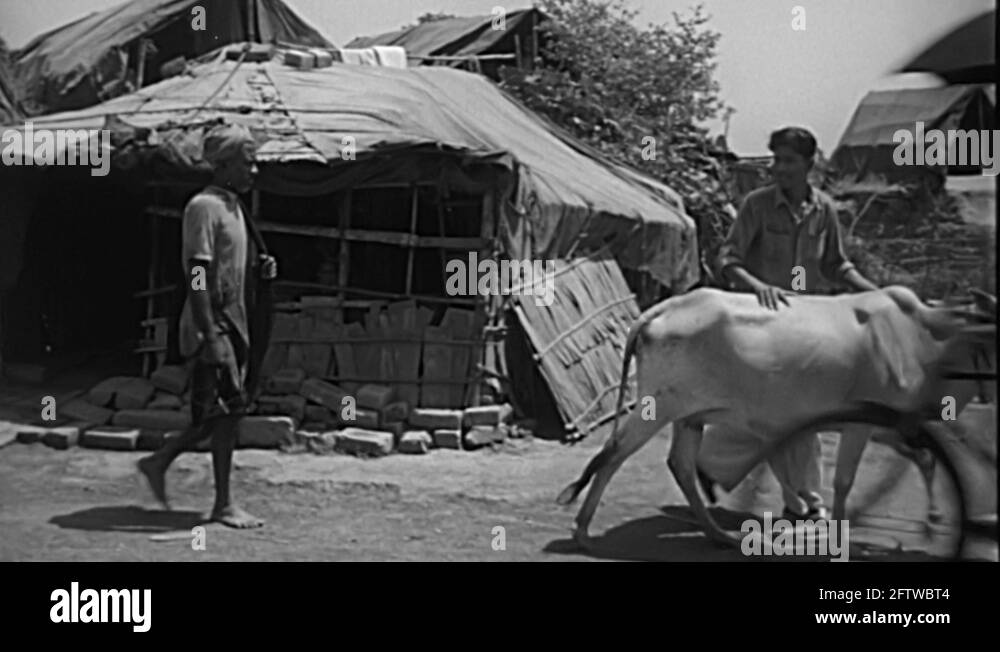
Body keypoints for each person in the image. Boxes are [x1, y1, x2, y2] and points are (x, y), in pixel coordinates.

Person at [714, 126, 878, 520]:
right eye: (776, 160)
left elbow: (837, 265)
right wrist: (760, 287)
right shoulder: (757, 205)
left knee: (804, 417)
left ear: (809, 164)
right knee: (781, 416)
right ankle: (802, 501)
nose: (779, 169)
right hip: (762, 326)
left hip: (808, 327)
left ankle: (798, 498)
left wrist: (875, 292)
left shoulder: (824, 210)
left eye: (788, 161)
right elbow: (727, 259)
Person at [138, 123, 276, 529]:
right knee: (225, 414)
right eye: (247, 164)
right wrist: (210, 334)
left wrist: (262, 271)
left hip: (234, 322)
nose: (253, 172)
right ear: (225, 164)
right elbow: (197, 274)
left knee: (218, 415)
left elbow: (232, 268)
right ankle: (222, 502)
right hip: (211, 323)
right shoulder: (203, 207)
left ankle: (162, 463)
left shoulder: (235, 207)